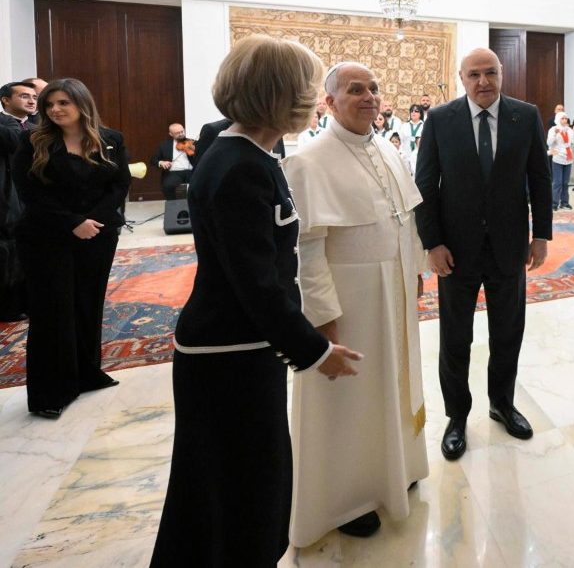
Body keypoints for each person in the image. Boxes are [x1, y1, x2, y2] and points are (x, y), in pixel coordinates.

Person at [150, 36, 361, 568]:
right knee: (240, 489)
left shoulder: (247, 153)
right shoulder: (239, 164)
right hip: (229, 352)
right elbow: (256, 283)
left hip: (244, 347)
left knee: (237, 486)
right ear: (279, 94)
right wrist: (314, 351)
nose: (317, 99)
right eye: (310, 88)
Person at [284, 62, 430, 545]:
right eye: (354, 90)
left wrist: (413, 271)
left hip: (393, 287)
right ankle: (347, 496)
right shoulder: (309, 160)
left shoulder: (386, 149)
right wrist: (322, 318)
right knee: (349, 396)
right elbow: (308, 247)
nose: (368, 97)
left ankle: (394, 467)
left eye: (373, 89)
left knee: (395, 378)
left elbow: (403, 219)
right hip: (348, 302)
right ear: (328, 103)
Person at [415, 47, 553, 462]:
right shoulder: (441, 120)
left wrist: (541, 235)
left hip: (510, 248)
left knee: (508, 331)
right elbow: (425, 185)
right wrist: (432, 243)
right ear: (462, 78)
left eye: (490, 73)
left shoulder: (525, 116)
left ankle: (502, 404)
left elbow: (540, 179)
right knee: (455, 337)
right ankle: (457, 417)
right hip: (455, 251)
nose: (483, 82)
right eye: (474, 75)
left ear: (502, 73)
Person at [11, 79, 130, 418]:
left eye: (63, 102)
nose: (54, 110)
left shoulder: (110, 139)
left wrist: (93, 221)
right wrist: (72, 222)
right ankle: (51, 392)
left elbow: (119, 185)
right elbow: (30, 192)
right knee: (52, 311)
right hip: (46, 237)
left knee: (86, 304)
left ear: (82, 104)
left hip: (99, 234)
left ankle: (87, 374)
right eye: (49, 104)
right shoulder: (33, 140)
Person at [0, 80, 38, 322]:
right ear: (6, 100)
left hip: (37, 200)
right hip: (8, 199)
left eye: (34, 96)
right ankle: (10, 306)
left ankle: (32, 301)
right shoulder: (5, 126)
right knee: (9, 254)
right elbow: (17, 142)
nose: (32, 100)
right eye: (24, 96)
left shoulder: (38, 125)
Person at [152, 123, 194, 200]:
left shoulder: (191, 143)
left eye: (182, 131)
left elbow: (201, 157)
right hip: (174, 172)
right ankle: (174, 207)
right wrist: (161, 162)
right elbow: (153, 160)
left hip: (191, 171)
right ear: (171, 134)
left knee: (201, 184)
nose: (181, 134)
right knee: (168, 186)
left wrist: (194, 149)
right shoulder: (164, 145)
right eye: (178, 133)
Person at [547, 112, 574, 210]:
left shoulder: (570, 130)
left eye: (566, 118)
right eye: (562, 118)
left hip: (568, 157)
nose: (565, 120)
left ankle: (565, 202)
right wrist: (555, 133)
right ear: (558, 119)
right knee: (557, 182)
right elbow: (549, 142)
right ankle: (554, 203)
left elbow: (572, 143)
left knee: (565, 182)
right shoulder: (553, 129)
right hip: (558, 158)